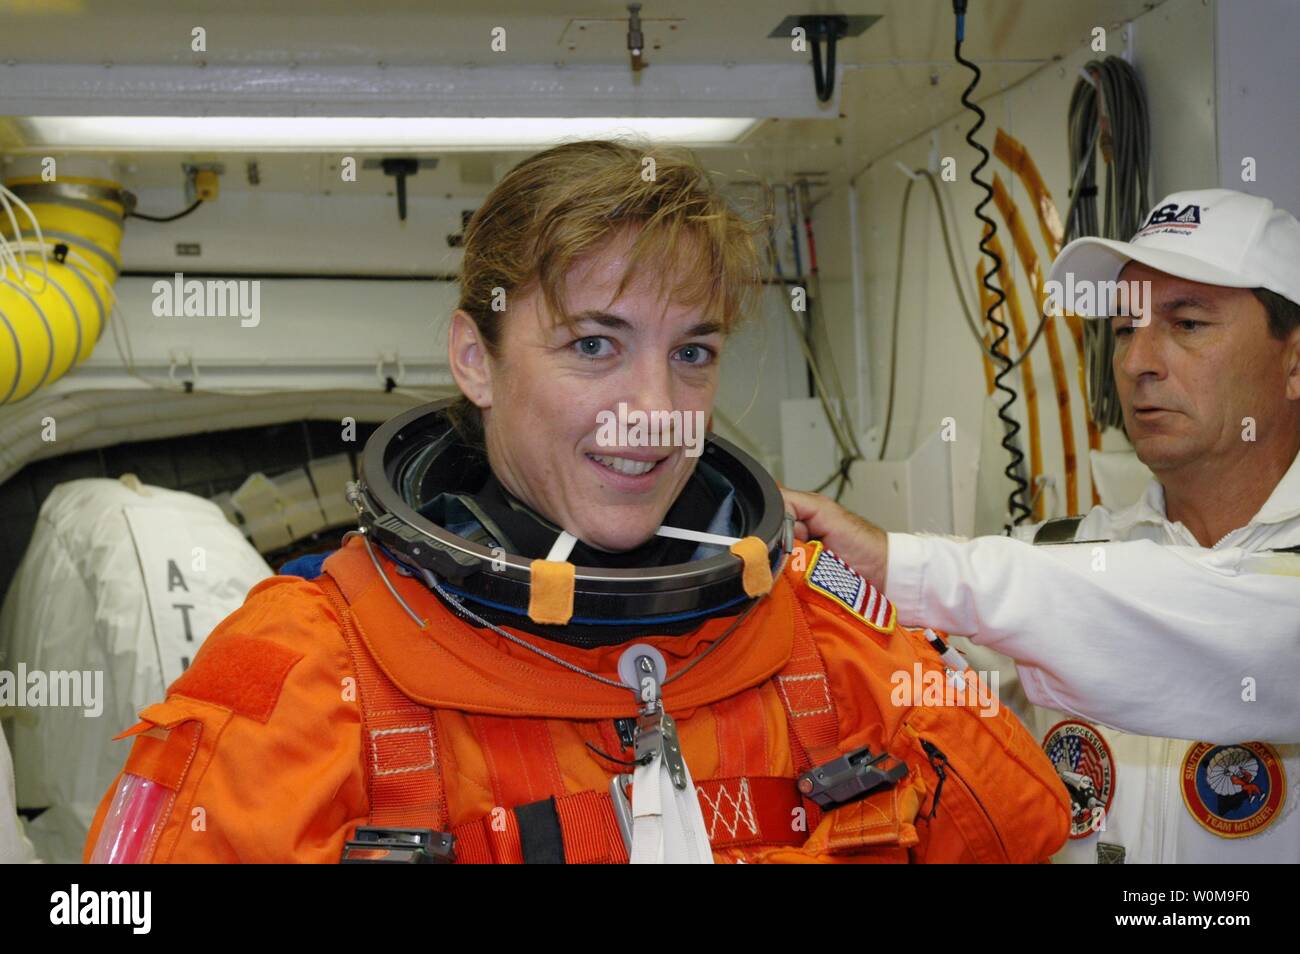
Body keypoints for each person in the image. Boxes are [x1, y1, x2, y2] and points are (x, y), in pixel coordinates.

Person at [83, 139, 1068, 864]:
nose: (654, 412)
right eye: (594, 345)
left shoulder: (835, 646)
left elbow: (1027, 839)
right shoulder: (299, 677)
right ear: (476, 358)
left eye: (692, 352)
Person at [784, 188, 1300, 862]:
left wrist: (896, 563)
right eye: (1122, 329)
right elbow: (904, 684)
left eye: (1187, 324)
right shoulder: (1052, 558)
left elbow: (1233, 623)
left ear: (1293, 362)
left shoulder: (1038, 581)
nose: (1137, 361)